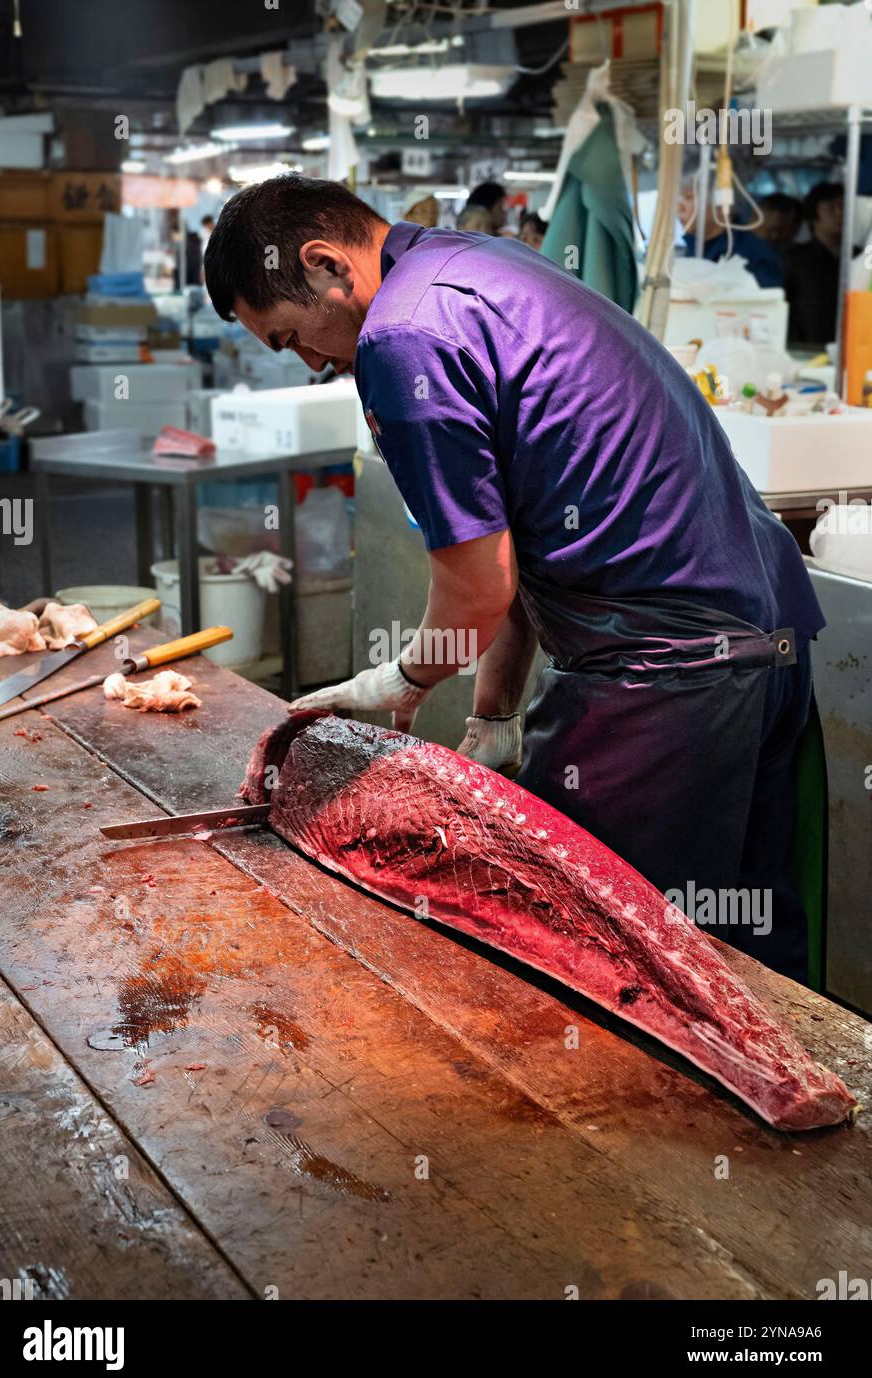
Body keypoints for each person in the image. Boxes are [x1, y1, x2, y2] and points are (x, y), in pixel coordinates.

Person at [204, 175, 826, 983]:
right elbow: (517, 546)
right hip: (764, 652)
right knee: (749, 962)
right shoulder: (476, 264)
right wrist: (494, 714)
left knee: (602, 966)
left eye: (290, 337)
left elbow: (474, 588)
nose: (315, 363)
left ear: (324, 263)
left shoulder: (402, 338)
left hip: (664, 683)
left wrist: (399, 676)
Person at [678, 183, 784, 288]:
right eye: (679, 198)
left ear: (720, 205)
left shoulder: (756, 257)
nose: (679, 208)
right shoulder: (690, 247)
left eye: (689, 197)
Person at [784, 183, 844, 347]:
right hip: (807, 350)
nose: (839, 213)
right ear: (814, 213)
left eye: (843, 206)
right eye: (831, 208)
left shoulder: (859, 256)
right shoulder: (796, 259)